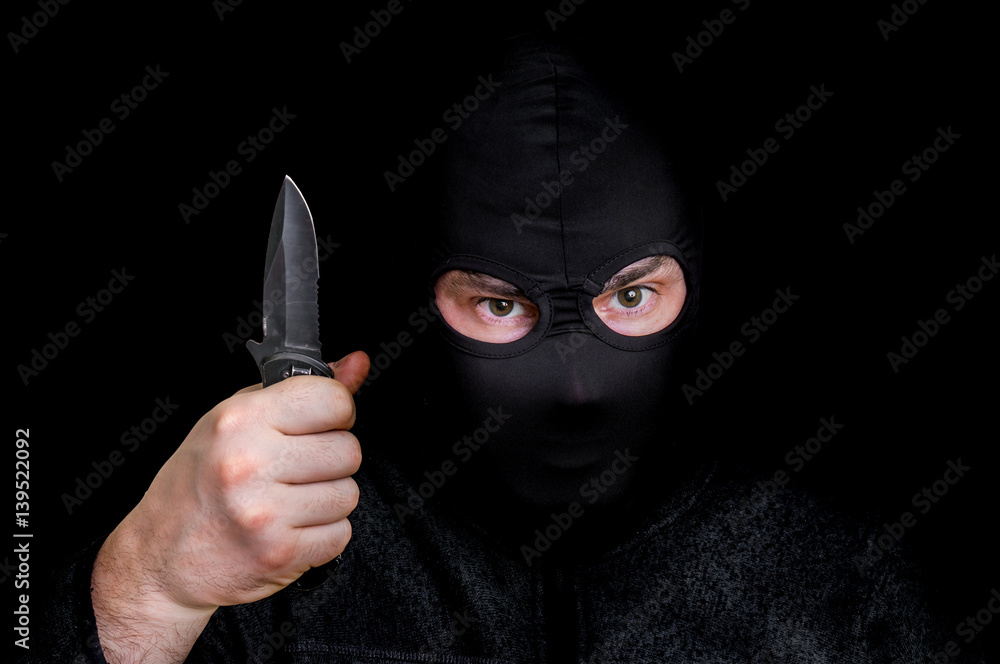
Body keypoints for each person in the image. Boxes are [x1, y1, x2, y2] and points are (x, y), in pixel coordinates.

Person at [31, 35, 982, 664]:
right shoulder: (267, 557)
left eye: (633, 295)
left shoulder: (845, 584)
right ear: (424, 291)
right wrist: (147, 588)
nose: (574, 386)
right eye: (499, 305)